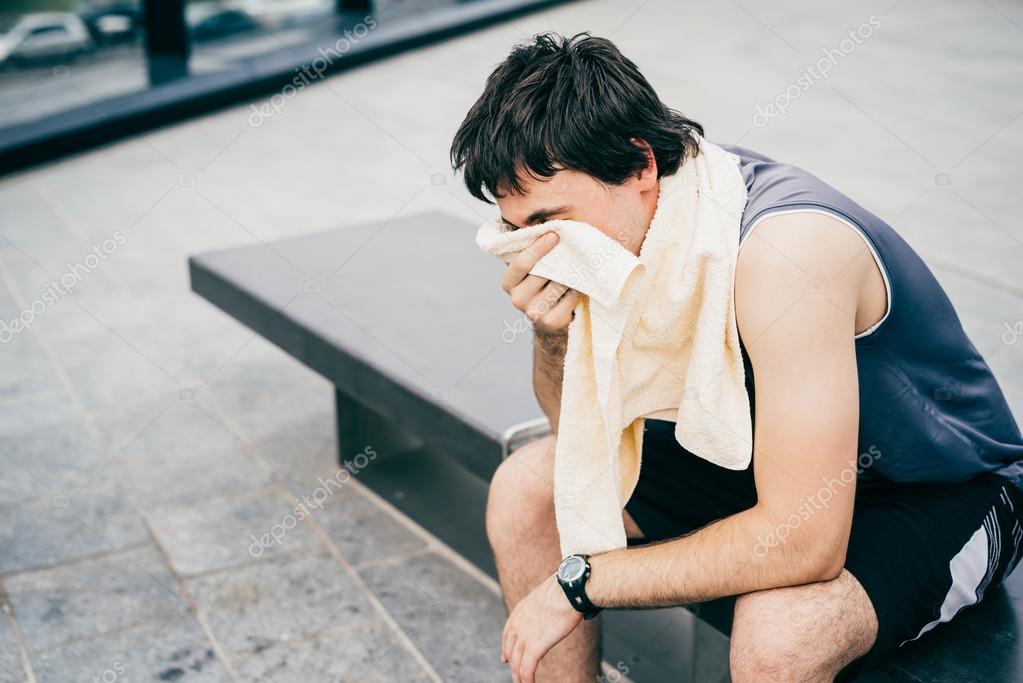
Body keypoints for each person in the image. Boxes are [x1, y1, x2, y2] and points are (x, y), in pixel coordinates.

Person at [449, 32, 1023, 682]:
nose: (538, 248)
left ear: (639, 165)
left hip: (935, 489)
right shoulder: (632, 229)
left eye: (551, 220)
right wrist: (550, 331)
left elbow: (804, 538)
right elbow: (579, 430)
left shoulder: (784, 251)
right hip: (768, 460)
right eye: (517, 231)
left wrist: (582, 580)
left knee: (779, 635)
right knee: (526, 488)